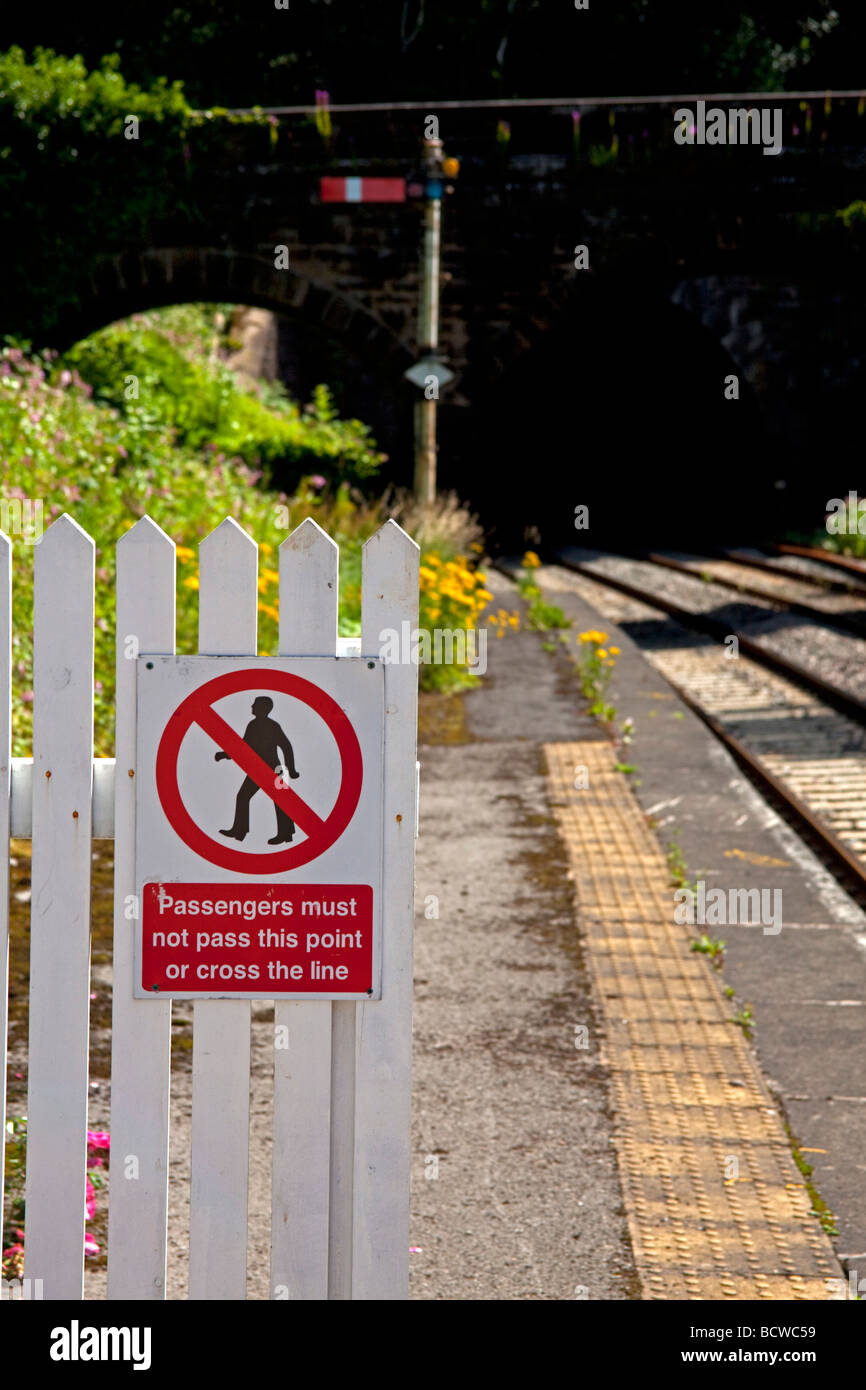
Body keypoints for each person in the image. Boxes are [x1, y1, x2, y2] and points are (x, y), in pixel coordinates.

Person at [215, 695, 299, 844]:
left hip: (273, 769)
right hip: (258, 769)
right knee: (243, 796)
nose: (252, 706)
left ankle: (285, 834)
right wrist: (225, 754)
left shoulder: (273, 726)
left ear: (263, 708)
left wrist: (291, 769)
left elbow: (286, 746)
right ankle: (239, 831)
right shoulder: (252, 725)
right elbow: (242, 747)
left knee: (280, 801)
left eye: (255, 704)